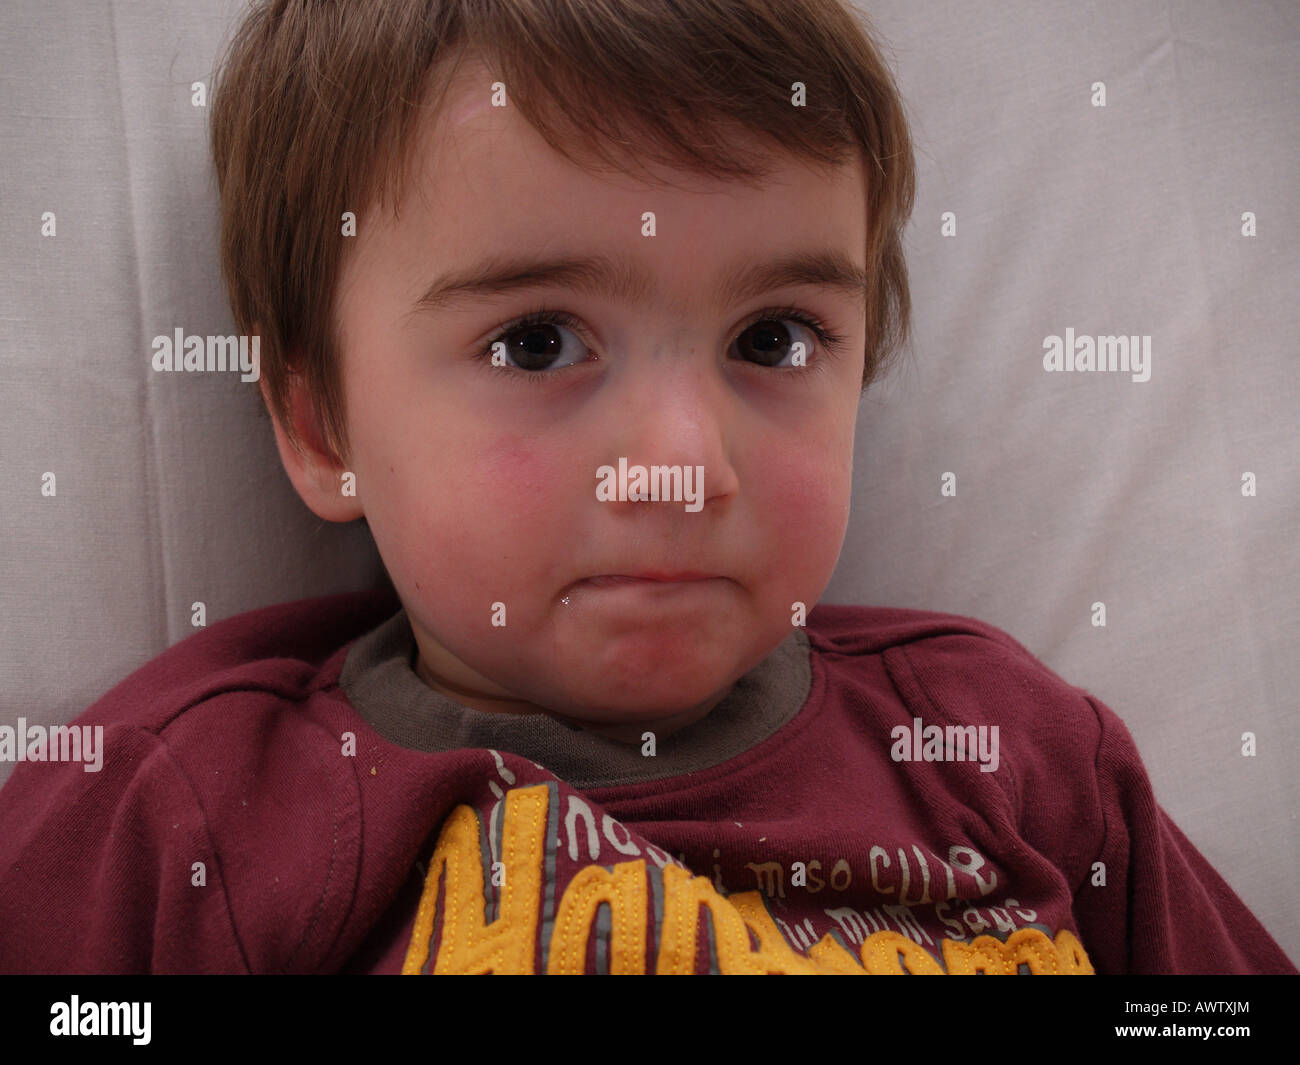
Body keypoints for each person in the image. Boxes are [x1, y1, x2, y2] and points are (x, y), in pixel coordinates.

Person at [0, 0, 1293, 974]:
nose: (683, 463)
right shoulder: (177, 816)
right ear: (323, 422)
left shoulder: (1011, 746)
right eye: (537, 343)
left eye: (773, 340)